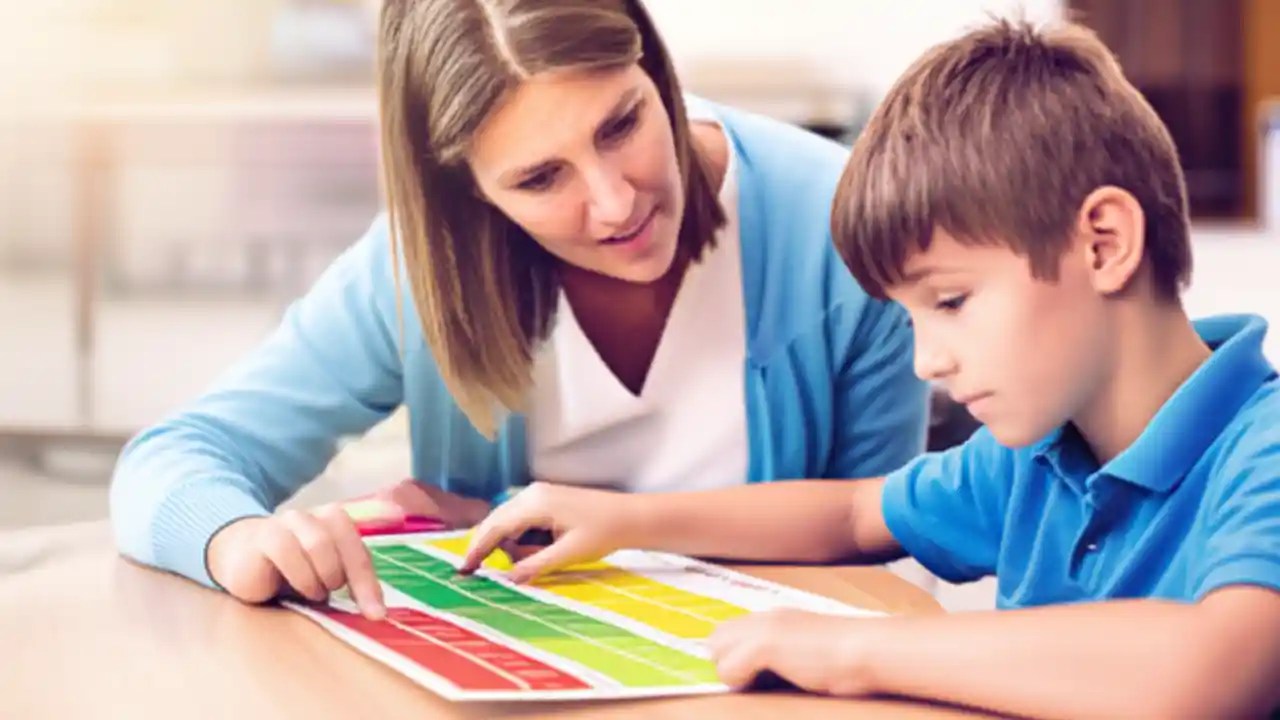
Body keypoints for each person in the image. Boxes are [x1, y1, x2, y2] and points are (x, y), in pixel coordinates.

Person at [459, 19, 1280, 718]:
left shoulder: (1263, 448)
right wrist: (626, 520)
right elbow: (853, 514)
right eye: (912, 317)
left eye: (951, 301)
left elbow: (1211, 669)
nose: (928, 360)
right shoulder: (1038, 456)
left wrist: (858, 650)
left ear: (1103, 244)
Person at [108, 0, 926, 623]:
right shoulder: (423, 270)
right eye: (541, 179)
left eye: (623, 123)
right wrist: (237, 539)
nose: (614, 204)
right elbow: (177, 458)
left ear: (653, 62)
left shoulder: (838, 224)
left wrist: (586, 530)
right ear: (467, 192)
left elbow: (876, 535)